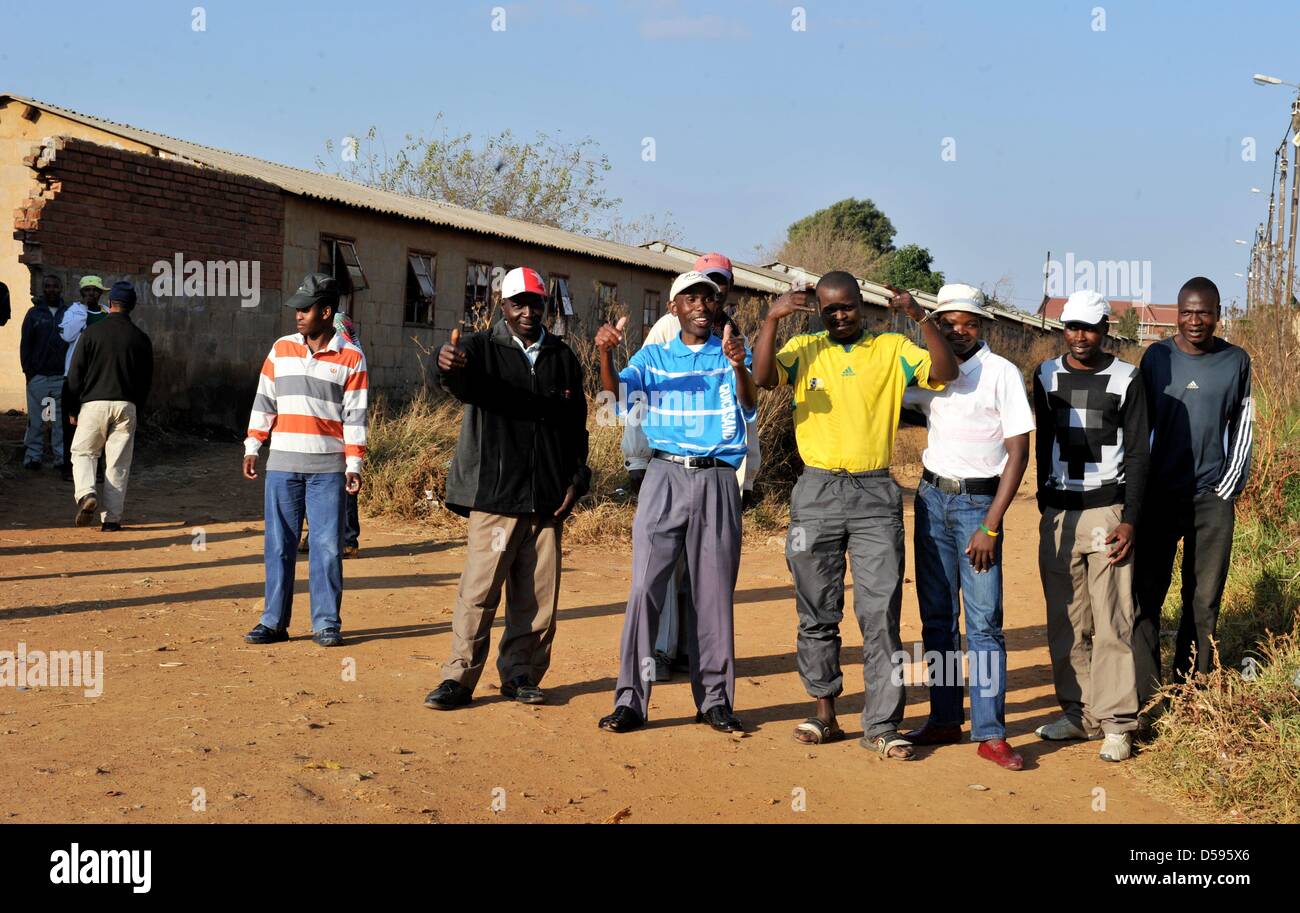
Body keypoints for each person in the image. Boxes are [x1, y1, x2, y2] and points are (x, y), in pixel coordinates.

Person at [753, 272, 957, 760]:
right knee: (816, 608)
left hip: (875, 494)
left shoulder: (890, 348)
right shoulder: (803, 347)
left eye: (847, 307)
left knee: (880, 613)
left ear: (861, 305)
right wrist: (773, 318)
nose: (839, 315)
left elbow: (945, 372)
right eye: (830, 309)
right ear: (819, 310)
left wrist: (919, 317)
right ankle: (824, 712)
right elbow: (761, 378)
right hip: (815, 491)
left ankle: (882, 724)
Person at [596, 270, 756, 734]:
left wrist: (740, 365)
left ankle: (715, 701)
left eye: (708, 298)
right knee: (646, 589)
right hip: (663, 475)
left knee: (713, 594)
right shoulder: (654, 356)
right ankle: (631, 700)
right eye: (691, 298)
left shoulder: (729, 353)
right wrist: (606, 352)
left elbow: (748, 408)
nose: (701, 306)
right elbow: (616, 399)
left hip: (718, 479)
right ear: (675, 309)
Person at [423, 267, 590, 709]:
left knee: (537, 599)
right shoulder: (479, 349)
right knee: (478, 592)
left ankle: (520, 675)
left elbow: (577, 427)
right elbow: (450, 379)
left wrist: (577, 479)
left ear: (546, 306)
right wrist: (443, 364)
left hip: (548, 500)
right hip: (496, 496)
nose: (528, 311)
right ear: (503, 305)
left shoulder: (563, 357)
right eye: (519, 303)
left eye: (536, 303)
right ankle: (458, 679)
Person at [900, 284, 1033, 770]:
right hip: (932, 499)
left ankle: (991, 732)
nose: (958, 332)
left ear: (983, 327)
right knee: (937, 618)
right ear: (934, 324)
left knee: (984, 624)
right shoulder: (928, 370)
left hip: (979, 505)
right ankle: (943, 717)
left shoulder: (1002, 374)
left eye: (968, 324)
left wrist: (992, 525)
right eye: (948, 323)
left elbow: (1018, 453)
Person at [1032, 289, 1148, 763]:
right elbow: (1041, 440)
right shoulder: (1043, 374)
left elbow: (1140, 452)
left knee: (1111, 617)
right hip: (1059, 514)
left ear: (1105, 329)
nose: (1080, 337)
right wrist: (1044, 500)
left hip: (1106, 513)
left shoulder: (1127, 378)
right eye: (1072, 327)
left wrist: (1131, 520)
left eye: (1090, 328)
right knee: (1066, 616)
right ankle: (1078, 714)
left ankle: (1117, 721)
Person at [1134, 277, 1252, 735]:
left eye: (1204, 312)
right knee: (1147, 596)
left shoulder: (1235, 361)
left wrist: (1227, 486)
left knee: (1203, 599)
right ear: (1176, 313)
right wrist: (1137, 491)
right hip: (1160, 497)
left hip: (1211, 498)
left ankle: (1190, 692)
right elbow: (1138, 424)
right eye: (1187, 311)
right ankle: (1147, 696)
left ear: (1218, 313)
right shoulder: (1156, 357)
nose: (1195, 321)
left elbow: (1243, 423)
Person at [242, 273, 367, 648]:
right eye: (296, 308)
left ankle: (326, 623)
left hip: (327, 471)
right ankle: (273, 622)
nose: (298, 315)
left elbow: (355, 417)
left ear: (326, 312)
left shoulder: (351, 358)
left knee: (327, 548)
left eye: (306, 308)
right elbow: (265, 400)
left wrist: (353, 465)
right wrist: (253, 445)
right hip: (281, 465)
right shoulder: (281, 349)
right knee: (278, 545)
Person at [66, 281, 153, 532]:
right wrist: (138, 410)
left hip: (93, 404)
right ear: (132, 306)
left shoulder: (92, 333)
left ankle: (86, 494)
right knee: (118, 463)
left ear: (111, 303)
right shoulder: (141, 338)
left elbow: (75, 375)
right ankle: (112, 520)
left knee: (83, 453)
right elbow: (146, 381)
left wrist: (72, 408)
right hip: (127, 406)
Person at [299, 310, 365, 559]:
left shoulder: (351, 358)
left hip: (342, 435)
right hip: (315, 434)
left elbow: (354, 408)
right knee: (311, 490)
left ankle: (348, 540)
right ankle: (313, 535)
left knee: (346, 490)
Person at [58, 276, 110, 481]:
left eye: (95, 290)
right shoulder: (73, 312)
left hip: (99, 377)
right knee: (71, 424)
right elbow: (67, 336)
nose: (91, 294)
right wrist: (83, 314)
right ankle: (68, 468)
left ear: (101, 293)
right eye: (87, 290)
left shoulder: (106, 313)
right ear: (82, 293)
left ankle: (97, 469)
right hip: (74, 376)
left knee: (98, 425)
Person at [20, 275, 69, 470]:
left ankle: (61, 458)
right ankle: (33, 457)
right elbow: (25, 345)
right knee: (36, 420)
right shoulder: (34, 314)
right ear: (43, 289)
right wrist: (29, 374)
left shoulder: (69, 313)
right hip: (38, 376)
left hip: (61, 377)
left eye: (55, 286)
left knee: (59, 422)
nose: (51, 290)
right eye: (47, 286)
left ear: (61, 289)